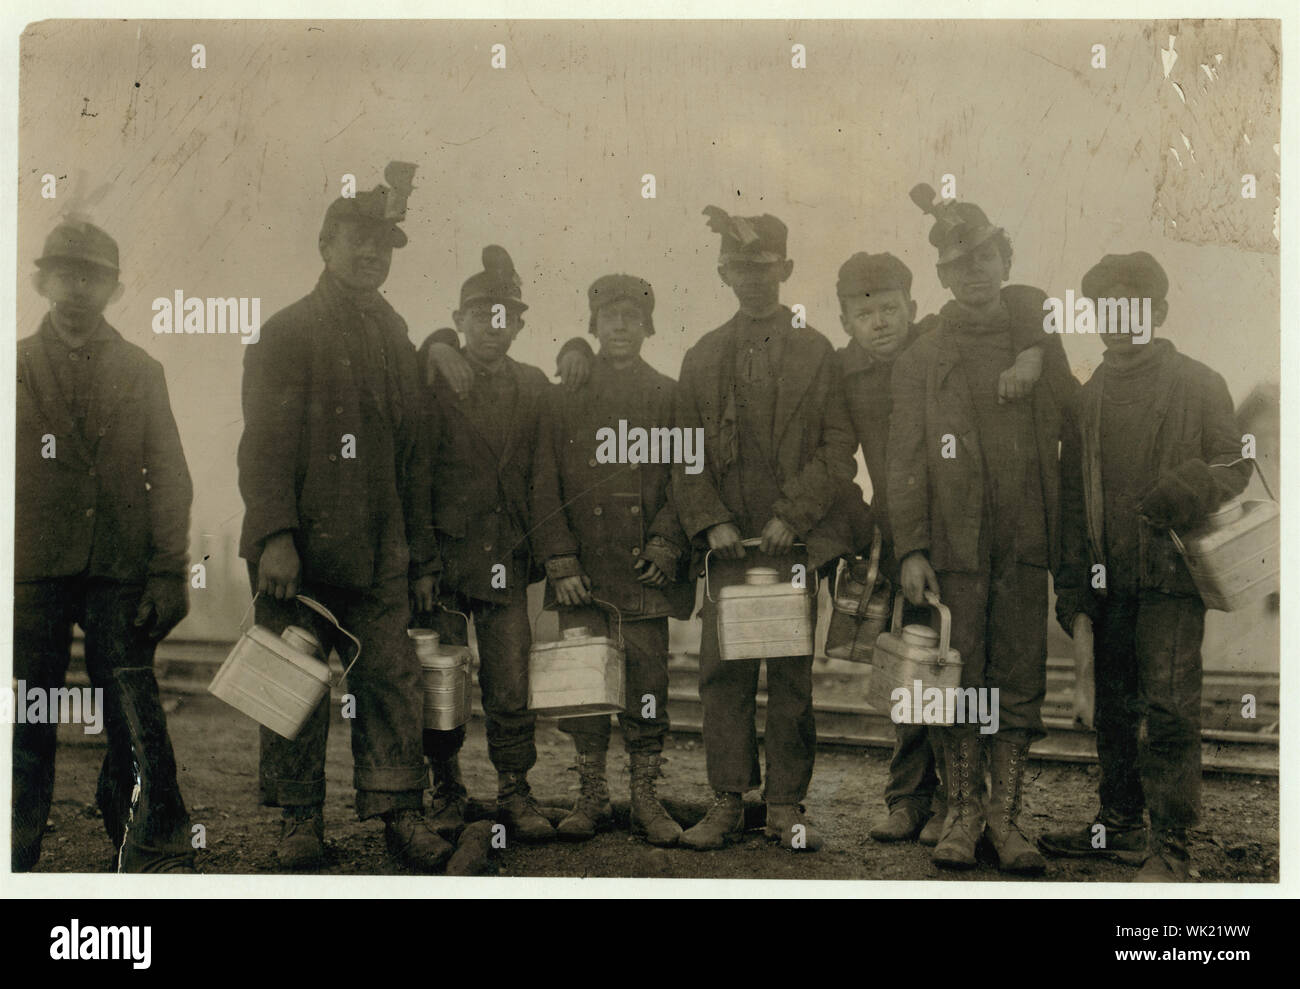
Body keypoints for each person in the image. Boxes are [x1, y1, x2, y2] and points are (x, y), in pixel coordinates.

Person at [237, 173, 449, 872]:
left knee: (390, 681)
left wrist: (419, 560)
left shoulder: (395, 335)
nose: (372, 255)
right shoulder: (287, 330)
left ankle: (396, 814)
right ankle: (300, 821)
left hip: (382, 554)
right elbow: (264, 444)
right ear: (326, 244)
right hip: (300, 553)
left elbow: (414, 460)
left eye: (383, 245)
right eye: (357, 241)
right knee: (293, 681)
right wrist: (274, 536)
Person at [1040, 251, 1251, 882]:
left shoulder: (1200, 382)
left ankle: (1173, 851)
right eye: (1105, 308)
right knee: (1112, 708)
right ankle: (1122, 828)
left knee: (1170, 711)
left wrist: (1186, 486)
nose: (1118, 319)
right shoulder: (1088, 398)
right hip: (1109, 580)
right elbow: (1074, 500)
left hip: (1171, 581)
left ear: (1156, 312)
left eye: (1131, 306)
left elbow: (1237, 465)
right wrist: (1074, 584)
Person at [887, 188, 1077, 873]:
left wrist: (1037, 348)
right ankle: (963, 812)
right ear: (940, 274)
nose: (975, 271)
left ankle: (1007, 817)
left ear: (1005, 259)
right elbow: (903, 460)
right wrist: (910, 546)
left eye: (986, 256)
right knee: (956, 674)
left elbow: (1076, 428)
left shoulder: (1039, 348)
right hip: (953, 549)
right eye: (959, 262)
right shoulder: (919, 359)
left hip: (1023, 544)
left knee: (1018, 675)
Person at [672, 206, 860, 852]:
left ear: (785, 268)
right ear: (723, 271)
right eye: (740, 267)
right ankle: (728, 800)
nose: (753, 278)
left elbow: (839, 449)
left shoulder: (817, 351)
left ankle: (784, 804)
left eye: (765, 266)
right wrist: (712, 520)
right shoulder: (701, 357)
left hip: (791, 549)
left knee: (790, 679)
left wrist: (792, 514)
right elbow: (684, 454)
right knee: (723, 675)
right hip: (727, 552)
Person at [14, 218, 195, 872]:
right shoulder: (15, 367)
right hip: (30, 573)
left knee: (132, 712)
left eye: (92, 275)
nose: (77, 288)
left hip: (120, 570)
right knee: (24, 709)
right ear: (42, 279)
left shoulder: (141, 370)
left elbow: (171, 476)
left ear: (113, 287)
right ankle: (14, 846)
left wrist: (169, 572)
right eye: (65, 273)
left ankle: (151, 845)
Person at [528, 273, 695, 846]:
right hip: (583, 574)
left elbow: (684, 478)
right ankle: (592, 794)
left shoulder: (669, 395)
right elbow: (543, 482)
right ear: (592, 326)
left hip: (645, 570)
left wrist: (667, 542)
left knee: (648, 682)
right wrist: (560, 561)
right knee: (584, 686)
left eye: (632, 317)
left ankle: (645, 799)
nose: (620, 326)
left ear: (647, 327)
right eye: (609, 318)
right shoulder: (563, 394)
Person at [416, 246, 573, 845]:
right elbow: (415, 474)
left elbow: (543, 475)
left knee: (510, 682)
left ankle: (514, 790)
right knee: (443, 682)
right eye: (481, 315)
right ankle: (447, 788)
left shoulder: (533, 387)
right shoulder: (432, 378)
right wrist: (424, 561)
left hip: (506, 558)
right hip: (446, 565)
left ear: (520, 325)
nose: (492, 326)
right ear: (459, 319)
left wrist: (578, 351)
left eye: (505, 316)